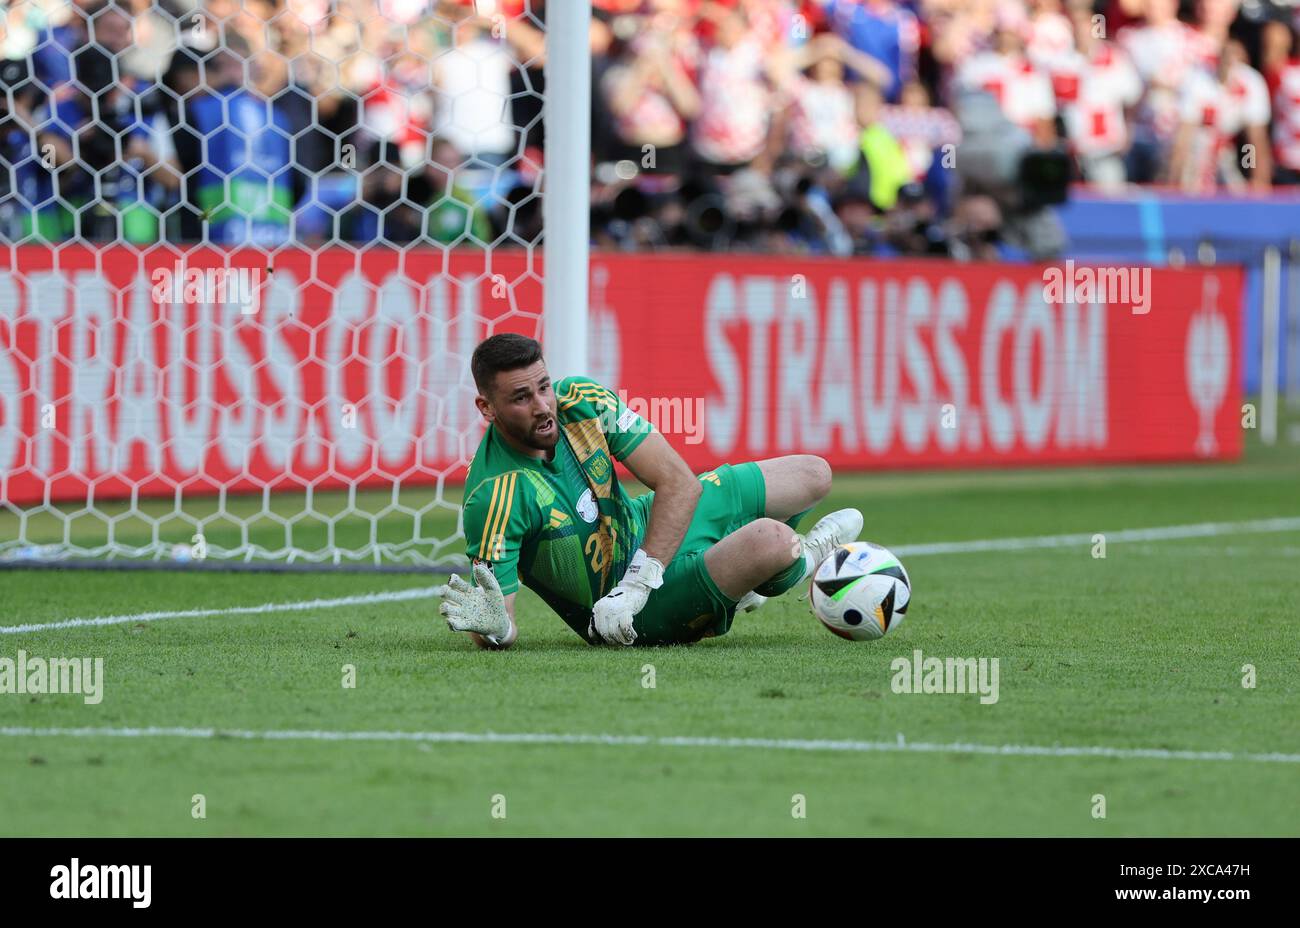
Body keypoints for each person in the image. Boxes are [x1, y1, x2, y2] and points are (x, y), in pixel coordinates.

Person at [435, 333, 864, 649]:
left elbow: (679, 482)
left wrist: (638, 581)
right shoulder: (495, 496)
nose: (543, 406)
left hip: (642, 537)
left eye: (544, 387)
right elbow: (498, 622)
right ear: (486, 408)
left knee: (813, 475)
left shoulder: (584, 401)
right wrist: (496, 629)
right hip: (622, 614)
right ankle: (803, 561)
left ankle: (758, 578)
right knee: (774, 539)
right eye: (521, 397)